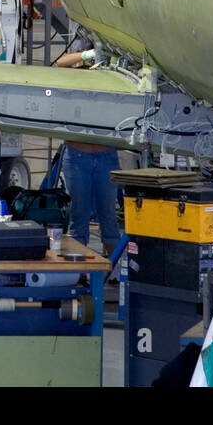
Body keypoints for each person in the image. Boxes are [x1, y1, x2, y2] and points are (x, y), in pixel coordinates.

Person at [54, 31, 121, 256]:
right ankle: (79, 269)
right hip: (77, 155)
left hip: (105, 156)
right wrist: (85, 55)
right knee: (78, 216)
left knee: (108, 218)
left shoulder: (113, 74)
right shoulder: (77, 76)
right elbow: (59, 65)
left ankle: (109, 271)